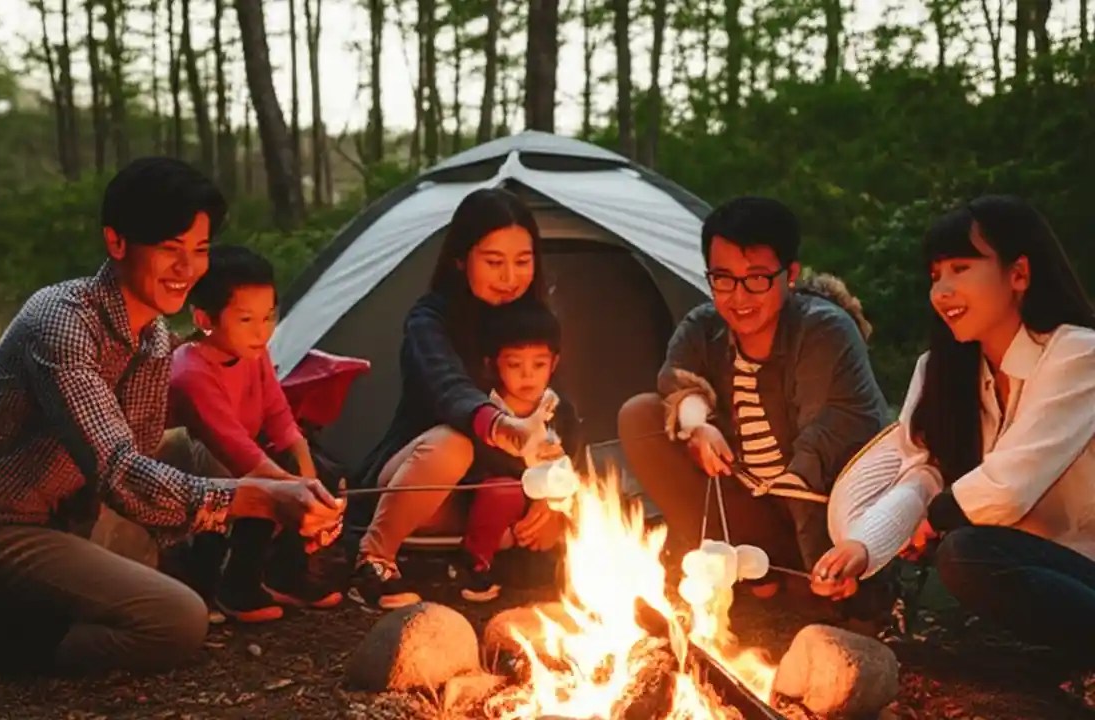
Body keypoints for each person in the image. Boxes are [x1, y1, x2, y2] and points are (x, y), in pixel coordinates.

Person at [0, 158, 344, 710]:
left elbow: (134, 465)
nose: (188, 268)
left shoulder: (155, 340)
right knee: (176, 621)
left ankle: (217, 573)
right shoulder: (62, 321)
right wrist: (258, 499)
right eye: (170, 247)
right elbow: (118, 470)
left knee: (193, 452)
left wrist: (287, 494)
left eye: (202, 249)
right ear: (117, 242)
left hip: (60, 510)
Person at [813, 196, 1095, 672]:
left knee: (964, 555)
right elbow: (924, 474)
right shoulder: (941, 370)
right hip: (1028, 567)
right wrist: (860, 548)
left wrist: (935, 517)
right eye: (935, 275)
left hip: (1080, 565)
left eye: (961, 268)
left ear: (1019, 274)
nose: (942, 291)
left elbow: (1009, 485)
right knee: (963, 558)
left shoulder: (1077, 355)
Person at [618, 196, 890, 605]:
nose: (739, 297)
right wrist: (698, 425)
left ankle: (813, 578)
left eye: (757, 278)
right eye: (723, 278)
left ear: (790, 274)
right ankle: (747, 568)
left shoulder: (823, 332)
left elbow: (824, 446)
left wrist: (822, 562)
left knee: (832, 583)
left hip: (830, 515)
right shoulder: (703, 328)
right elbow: (678, 381)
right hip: (753, 503)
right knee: (640, 416)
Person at [349, 187, 558, 609]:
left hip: (494, 500)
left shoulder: (535, 324)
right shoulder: (430, 320)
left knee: (575, 499)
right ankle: (373, 560)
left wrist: (555, 501)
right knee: (453, 442)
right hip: (426, 490)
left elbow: (556, 415)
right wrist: (503, 427)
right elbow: (450, 390)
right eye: (494, 262)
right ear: (461, 259)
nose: (510, 277)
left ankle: (496, 556)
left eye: (523, 261)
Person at [168, 244, 341, 622]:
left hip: (243, 456)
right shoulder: (191, 373)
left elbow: (278, 414)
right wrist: (293, 488)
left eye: (269, 317)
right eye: (247, 320)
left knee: (319, 469)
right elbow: (234, 448)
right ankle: (234, 581)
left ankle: (285, 571)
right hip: (200, 469)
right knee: (264, 482)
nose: (262, 331)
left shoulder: (253, 352)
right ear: (204, 318)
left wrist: (307, 475)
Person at [456, 296, 584, 602]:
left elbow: (573, 459)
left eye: (538, 364)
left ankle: (557, 564)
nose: (527, 375)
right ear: (492, 364)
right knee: (503, 491)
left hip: (546, 504)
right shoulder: (487, 411)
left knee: (586, 497)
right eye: (515, 364)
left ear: (554, 363)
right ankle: (477, 562)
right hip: (497, 506)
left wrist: (551, 504)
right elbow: (480, 465)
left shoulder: (558, 409)